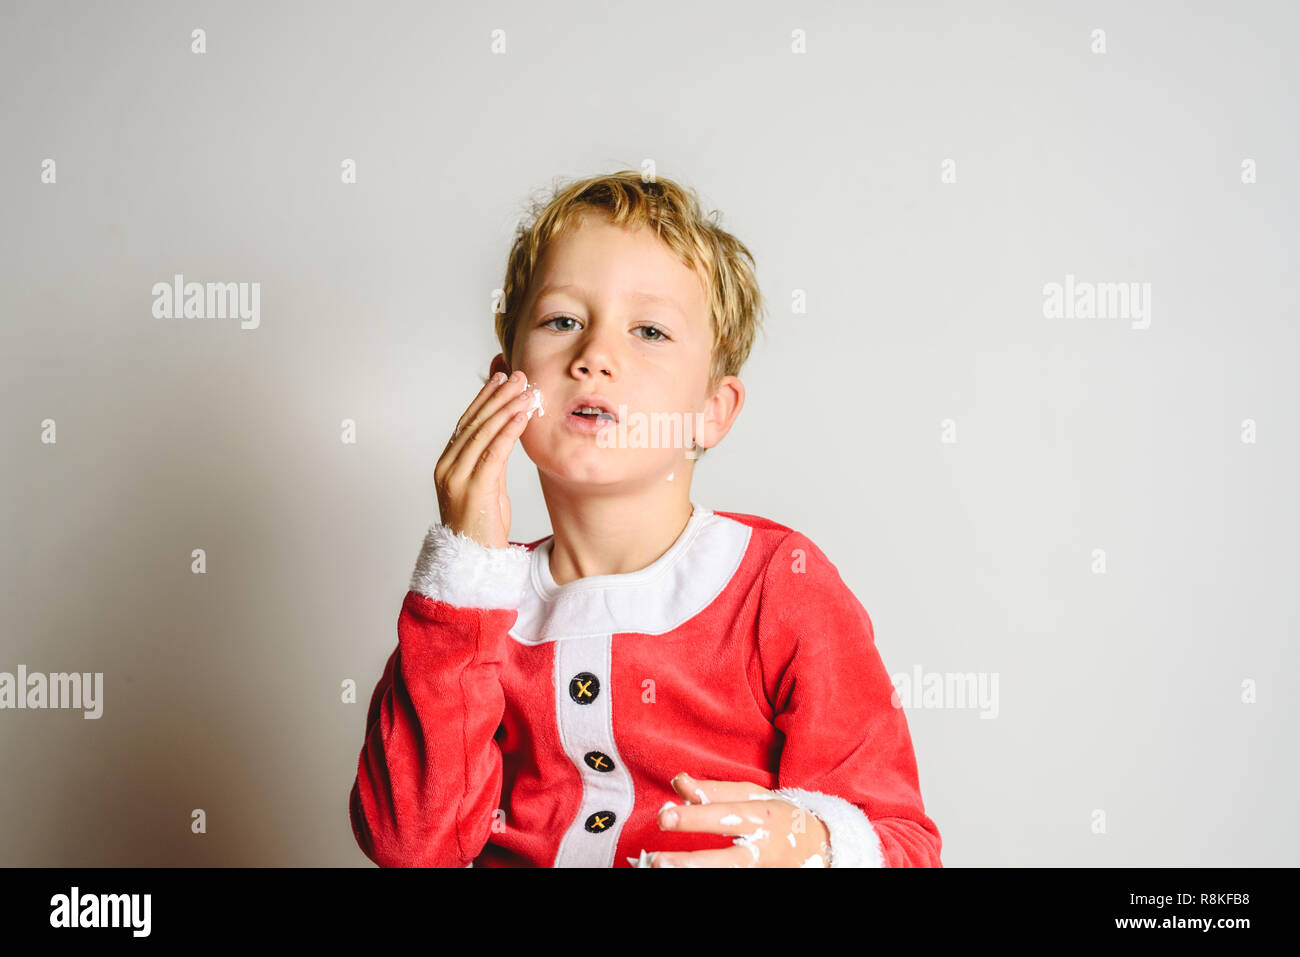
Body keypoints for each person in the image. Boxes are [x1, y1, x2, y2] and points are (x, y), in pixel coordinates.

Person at [348, 171, 943, 867]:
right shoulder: (474, 609)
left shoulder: (780, 585)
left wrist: (808, 841)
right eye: (562, 320)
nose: (595, 356)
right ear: (504, 379)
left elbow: (902, 843)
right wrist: (464, 567)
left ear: (714, 411)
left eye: (650, 330)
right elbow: (411, 844)